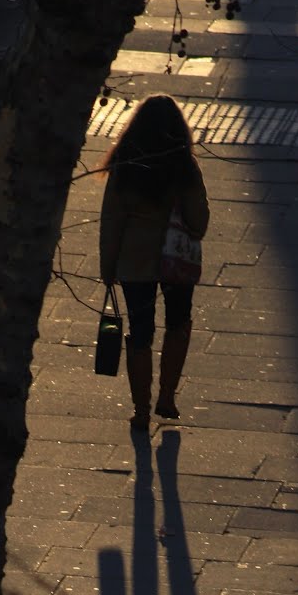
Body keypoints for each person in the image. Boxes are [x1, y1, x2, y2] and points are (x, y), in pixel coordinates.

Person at [99, 94, 210, 432]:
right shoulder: (184, 165)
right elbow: (199, 221)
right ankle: (167, 397)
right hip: (176, 260)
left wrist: (108, 268)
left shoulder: (125, 162)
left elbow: (112, 221)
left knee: (140, 332)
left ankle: (141, 410)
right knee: (178, 323)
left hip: (136, 260)